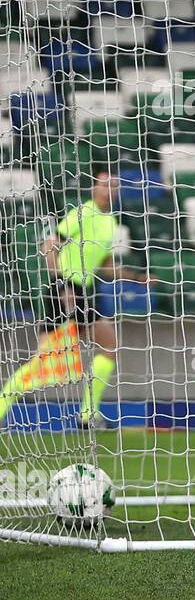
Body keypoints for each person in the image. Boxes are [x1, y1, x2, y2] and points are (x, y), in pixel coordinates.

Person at [0, 169, 153, 430]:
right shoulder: (82, 213)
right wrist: (61, 285)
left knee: (109, 345)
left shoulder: (111, 222)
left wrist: (138, 277)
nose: (109, 190)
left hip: (81, 293)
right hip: (63, 291)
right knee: (45, 364)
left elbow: (105, 266)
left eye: (114, 186)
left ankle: (88, 413)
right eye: (104, 185)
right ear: (93, 188)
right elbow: (50, 246)